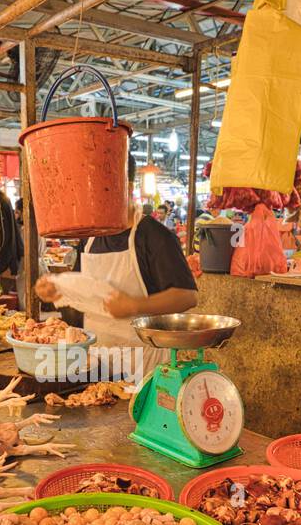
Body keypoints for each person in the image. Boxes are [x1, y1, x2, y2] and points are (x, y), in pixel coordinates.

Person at [35, 157, 197, 378]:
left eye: (101, 190)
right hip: (94, 362)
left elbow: (187, 297)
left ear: (126, 187)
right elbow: (84, 289)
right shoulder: (90, 238)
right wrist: (57, 290)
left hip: (144, 366)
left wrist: (134, 305)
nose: (92, 200)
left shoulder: (154, 236)